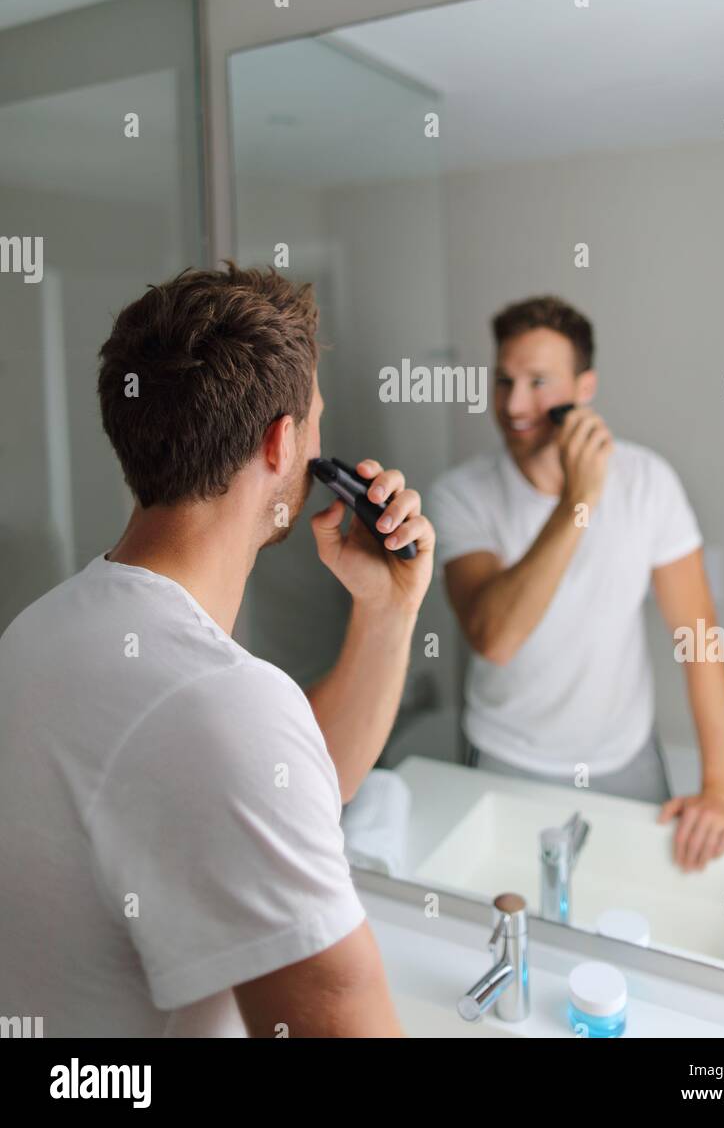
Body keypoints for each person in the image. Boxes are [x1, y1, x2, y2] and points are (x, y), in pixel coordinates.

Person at [0, 263, 434, 1037]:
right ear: (281, 443)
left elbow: (288, 789)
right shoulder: (217, 699)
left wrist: (386, 612)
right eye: (317, 422)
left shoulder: (39, 630)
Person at [429, 295, 724, 873]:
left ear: (585, 387)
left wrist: (721, 788)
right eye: (504, 381)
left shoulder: (649, 482)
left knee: (637, 916)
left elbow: (698, 640)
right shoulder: (459, 495)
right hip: (505, 755)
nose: (515, 404)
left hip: (626, 757)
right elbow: (495, 636)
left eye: (539, 382)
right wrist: (578, 500)